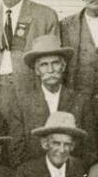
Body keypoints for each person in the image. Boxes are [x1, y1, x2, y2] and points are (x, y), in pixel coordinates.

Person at [9, 34, 82, 165]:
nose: (50, 70)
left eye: (55, 63)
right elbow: (17, 150)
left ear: (63, 66)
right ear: (37, 70)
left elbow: (88, 148)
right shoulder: (22, 104)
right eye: (44, 65)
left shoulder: (79, 101)